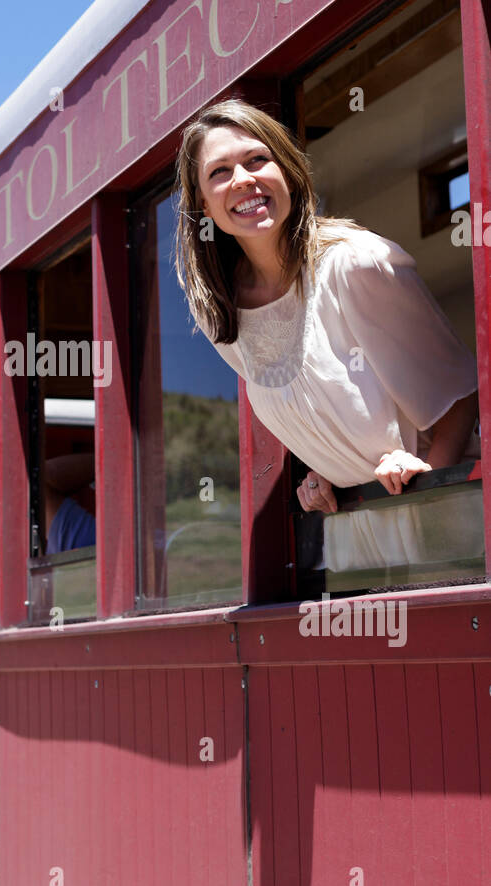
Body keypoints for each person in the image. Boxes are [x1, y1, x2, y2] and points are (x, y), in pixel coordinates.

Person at [173, 98, 480, 574]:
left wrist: (427, 482)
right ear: (203, 206)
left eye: (257, 159)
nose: (243, 179)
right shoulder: (223, 317)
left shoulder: (357, 264)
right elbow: (322, 411)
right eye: (219, 172)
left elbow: (461, 397)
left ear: (288, 170)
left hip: (443, 528)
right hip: (356, 542)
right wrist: (327, 470)